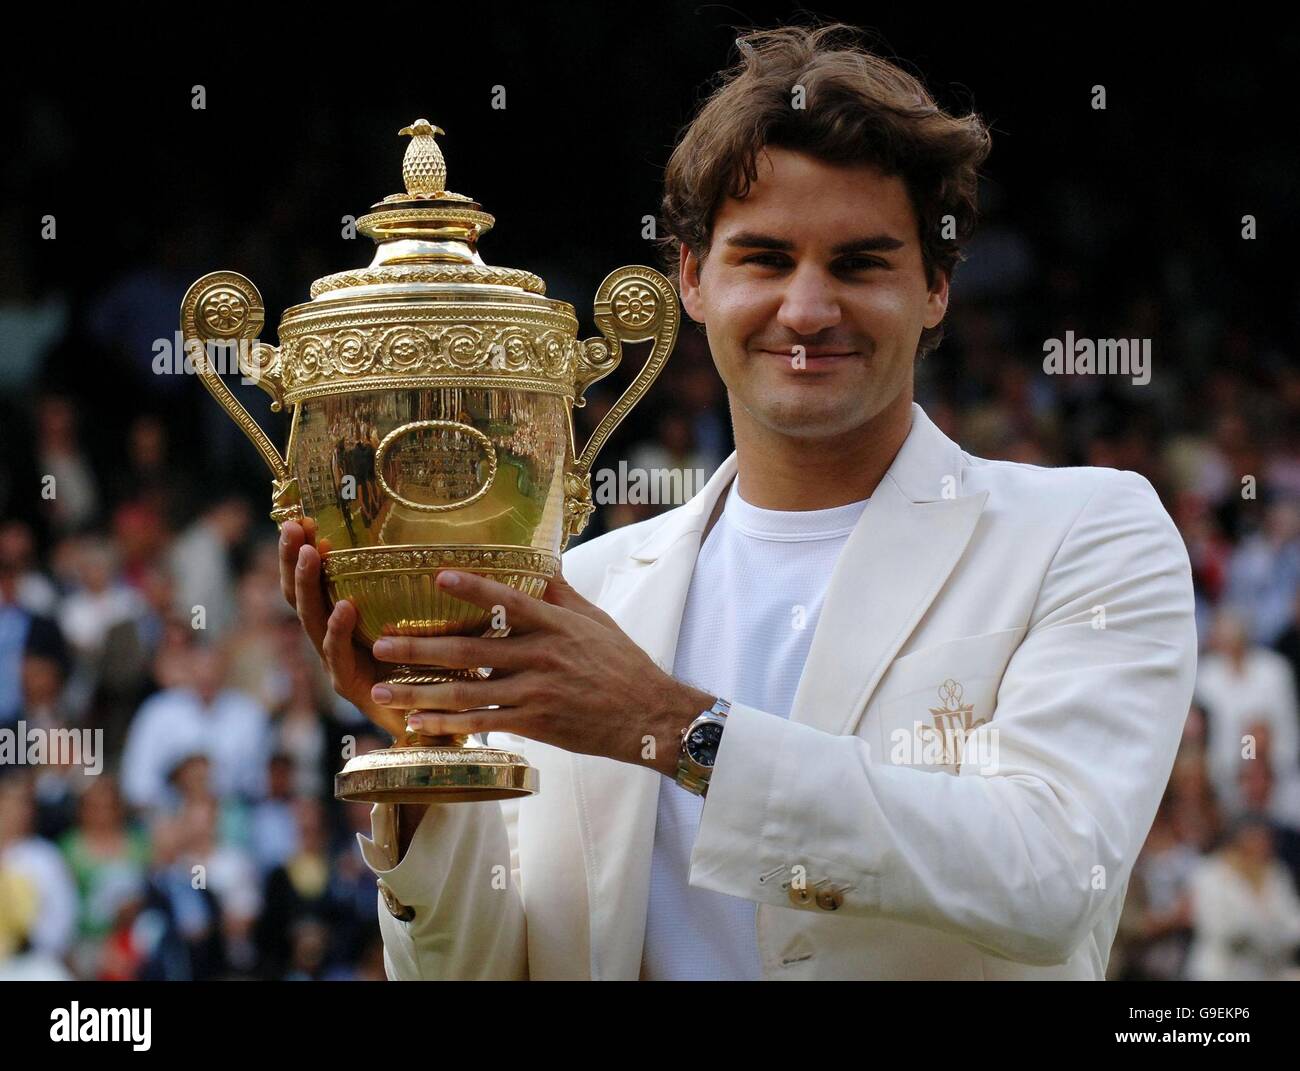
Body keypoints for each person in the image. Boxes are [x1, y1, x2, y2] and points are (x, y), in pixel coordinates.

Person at [278, 24, 1197, 979]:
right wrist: (429, 757)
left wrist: (674, 728)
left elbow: (1056, 878)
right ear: (691, 279)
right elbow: (470, 970)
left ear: (936, 287)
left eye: (860, 263)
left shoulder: (1088, 535)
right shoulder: (575, 591)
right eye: (763, 258)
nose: (806, 311)